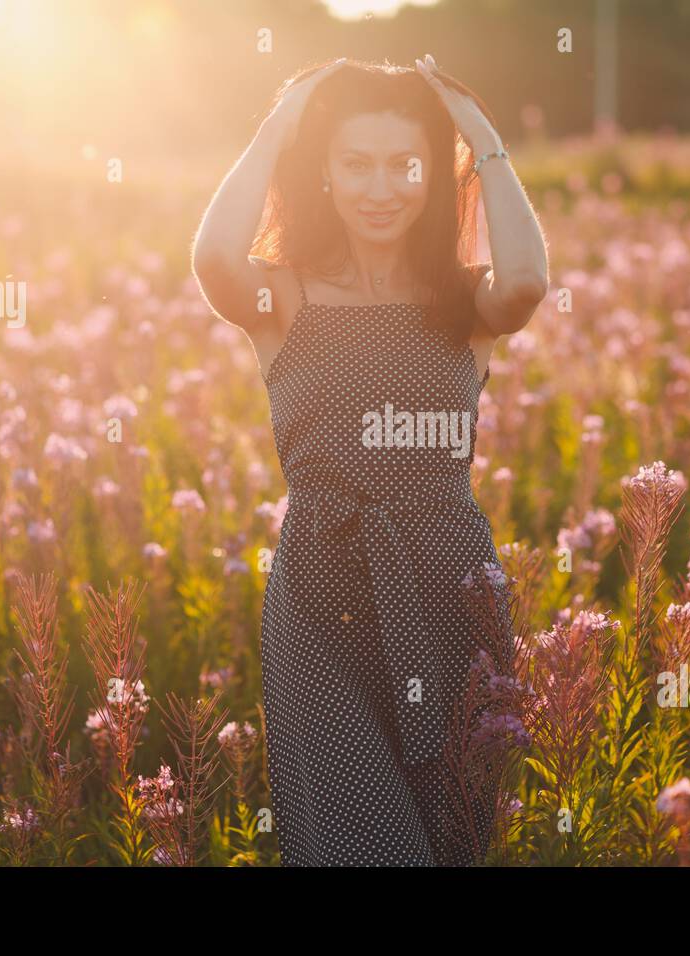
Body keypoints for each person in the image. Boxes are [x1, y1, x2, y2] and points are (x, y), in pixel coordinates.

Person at [191, 54, 547, 865]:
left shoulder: (464, 300)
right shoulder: (285, 297)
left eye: (403, 164)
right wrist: (281, 121)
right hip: (322, 593)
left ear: (432, 174)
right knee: (367, 844)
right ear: (322, 173)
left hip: (451, 586)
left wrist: (480, 134)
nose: (380, 187)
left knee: (454, 836)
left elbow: (527, 279)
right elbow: (213, 257)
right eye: (355, 164)